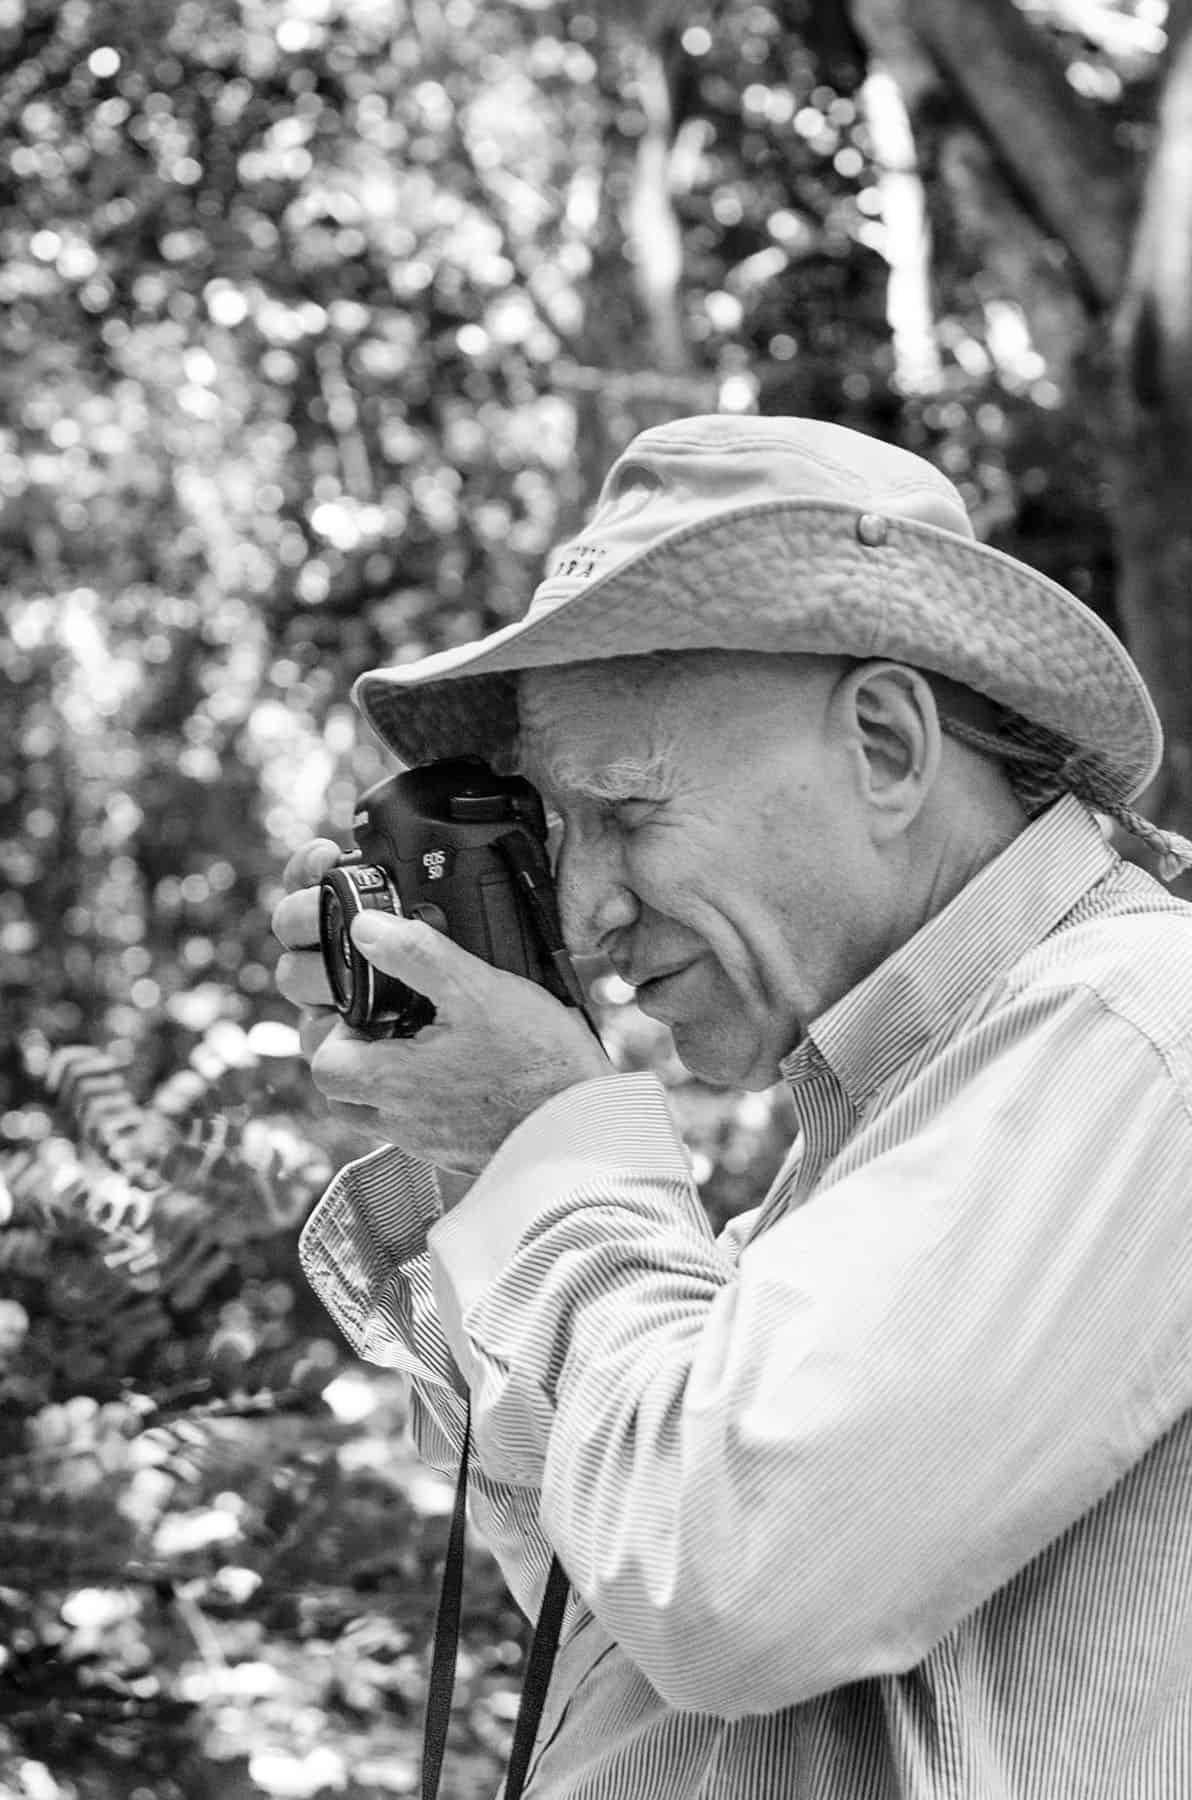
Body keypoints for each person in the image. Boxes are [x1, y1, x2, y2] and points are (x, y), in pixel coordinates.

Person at [272, 415, 1192, 1798]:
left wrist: (540, 1137)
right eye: (560, 834)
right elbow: (610, 1600)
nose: (585, 911)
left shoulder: (1134, 1024)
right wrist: (477, 1156)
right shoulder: (894, 1114)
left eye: (628, 811)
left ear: (885, 743)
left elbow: (720, 1580)